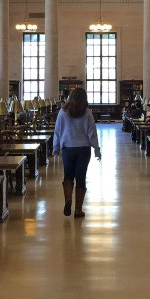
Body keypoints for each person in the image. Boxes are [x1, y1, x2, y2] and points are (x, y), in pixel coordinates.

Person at [52, 87, 100, 217]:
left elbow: (58, 131)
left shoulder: (63, 112)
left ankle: (68, 200)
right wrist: (97, 149)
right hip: (83, 149)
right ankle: (78, 210)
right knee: (81, 177)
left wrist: (55, 148)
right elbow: (92, 133)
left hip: (67, 148)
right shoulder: (87, 113)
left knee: (68, 175)